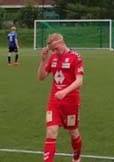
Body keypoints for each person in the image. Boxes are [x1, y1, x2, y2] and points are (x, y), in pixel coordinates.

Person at [37, 33, 84, 162]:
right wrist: (43, 60)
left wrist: (64, 91)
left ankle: (77, 157)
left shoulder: (75, 57)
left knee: (73, 132)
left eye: (56, 49)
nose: (54, 52)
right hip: (54, 102)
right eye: (52, 50)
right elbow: (41, 77)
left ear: (61, 43)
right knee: (51, 132)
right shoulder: (53, 58)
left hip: (71, 102)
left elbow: (79, 80)